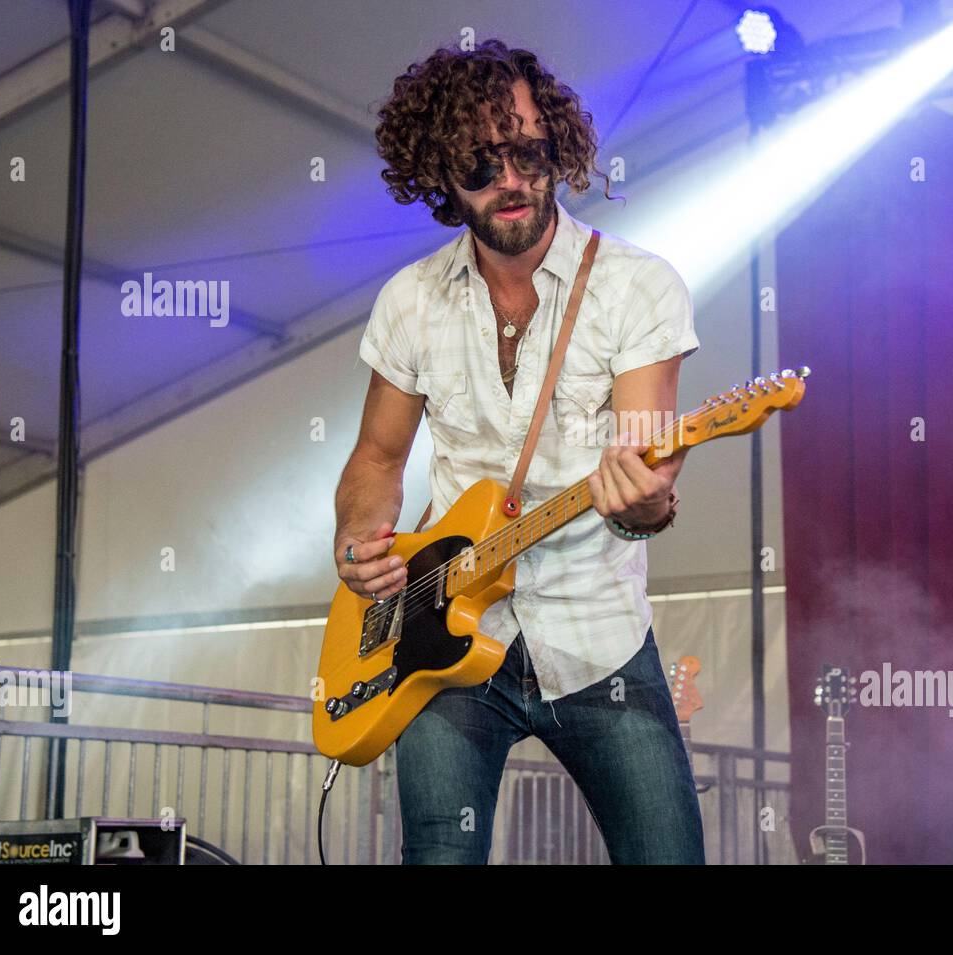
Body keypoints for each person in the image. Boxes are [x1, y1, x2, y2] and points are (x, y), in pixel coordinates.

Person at [332, 39, 703, 864]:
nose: (512, 179)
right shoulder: (409, 301)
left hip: (597, 635)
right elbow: (376, 459)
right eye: (480, 160)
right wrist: (357, 540)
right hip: (443, 641)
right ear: (437, 168)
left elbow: (647, 473)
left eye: (529, 152)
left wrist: (645, 503)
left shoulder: (638, 287)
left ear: (558, 147)